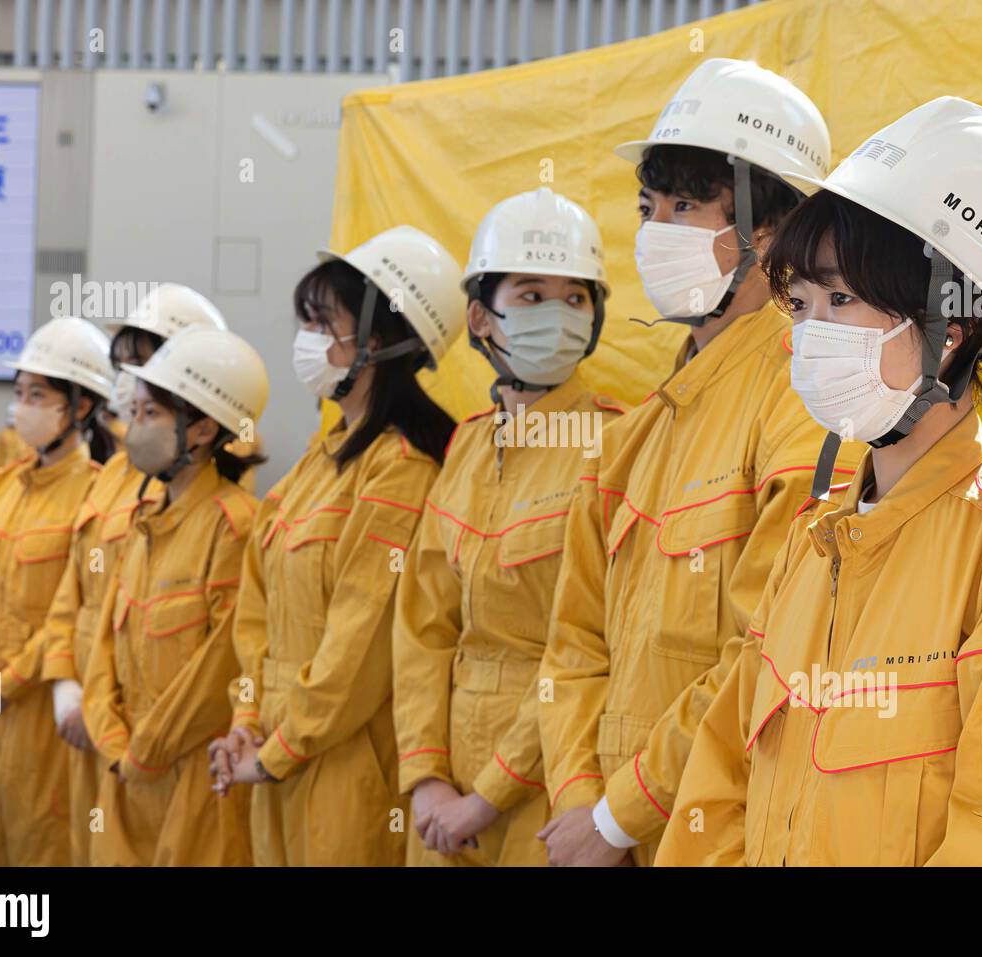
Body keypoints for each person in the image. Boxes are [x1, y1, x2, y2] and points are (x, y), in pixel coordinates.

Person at [655, 97, 982, 867]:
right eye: (799, 304)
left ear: (948, 330)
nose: (806, 333)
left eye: (841, 300)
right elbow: (717, 791)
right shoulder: (814, 543)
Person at [536, 58, 863, 866]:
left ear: (765, 230)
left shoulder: (809, 396)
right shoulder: (644, 426)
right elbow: (573, 641)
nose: (654, 230)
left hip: (717, 834)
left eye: (685, 206)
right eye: (650, 207)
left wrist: (616, 815)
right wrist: (582, 800)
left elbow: (768, 642)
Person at [208, 226, 460, 866]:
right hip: (275, 753)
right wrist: (247, 723)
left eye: (323, 323)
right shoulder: (316, 467)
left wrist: (281, 747)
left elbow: (361, 642)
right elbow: (255, 617)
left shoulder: (402, 470)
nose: (308, 341)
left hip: (347, 766)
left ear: (377, 342)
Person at [393, 189, 626, 867]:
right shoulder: (465, 446)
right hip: (443, 801)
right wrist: (427, 775)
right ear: (480, 317)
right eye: (530, 295)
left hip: (555, 781)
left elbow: (593, 646)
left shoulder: (615, 444)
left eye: (575, 297)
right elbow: (422, 630)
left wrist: (490, 792)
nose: (556, 314)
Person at [36, 284, 227, 866]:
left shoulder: (214, 492)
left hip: (152, 736)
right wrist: (66, 684)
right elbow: (78, 589)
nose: (128, 381)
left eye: (143, 365)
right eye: (123, 366)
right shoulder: (117, 471)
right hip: (88, 714)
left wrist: (118, 725)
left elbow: (211, 649)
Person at [80, 326, 267, 866]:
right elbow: (104, 651)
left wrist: (144, 752)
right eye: (134, 412)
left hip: (194, 777)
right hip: (125, 772)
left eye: (151, 414)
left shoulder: (233, 527)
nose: (134, 427)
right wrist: (116, 743)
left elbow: (220, 669)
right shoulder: (146, 524)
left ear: (203, 428)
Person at [0, 317, 116, 865]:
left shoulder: (96, 496)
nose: (21, 408)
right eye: (19, 394)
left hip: (39, 714)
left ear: (79, 407)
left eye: (37, 395)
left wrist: (8, 683)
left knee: (41, 845)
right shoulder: (2, 483)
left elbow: (78, 610)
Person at [0, 403, 31, 469]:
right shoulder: (3, 433)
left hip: (22, 469)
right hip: (7, 468)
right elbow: (0, 454)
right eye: (11, 415)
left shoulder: (27, 432)